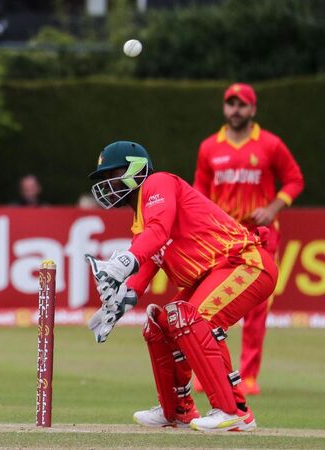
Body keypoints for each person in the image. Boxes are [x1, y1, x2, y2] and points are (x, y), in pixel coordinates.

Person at [85, 141, 277, 432]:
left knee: (190, 317)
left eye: (116, 173)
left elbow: (158, 233)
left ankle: (234, 411)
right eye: (105, 178)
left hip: (245, 263)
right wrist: (120, 302)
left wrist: (122, 262)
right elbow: (148, 262)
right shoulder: (140, 221)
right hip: (215, 272)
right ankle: (176, 410)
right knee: (159, 325)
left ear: (137, 169)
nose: (108, 183)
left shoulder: (158, 183)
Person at [193, 83, 304, 395]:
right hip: (222, 238)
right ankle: (207, 371)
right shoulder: (209, 147)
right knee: (210, 305)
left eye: (242, 104)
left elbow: (295, 180)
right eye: (231, 104)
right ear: (224, 108)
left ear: (253, 109)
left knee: (256, 309)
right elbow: (198, 191)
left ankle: (249, 376)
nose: (236, 110)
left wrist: (272, 208)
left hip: (260, 237)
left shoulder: (270, 144)